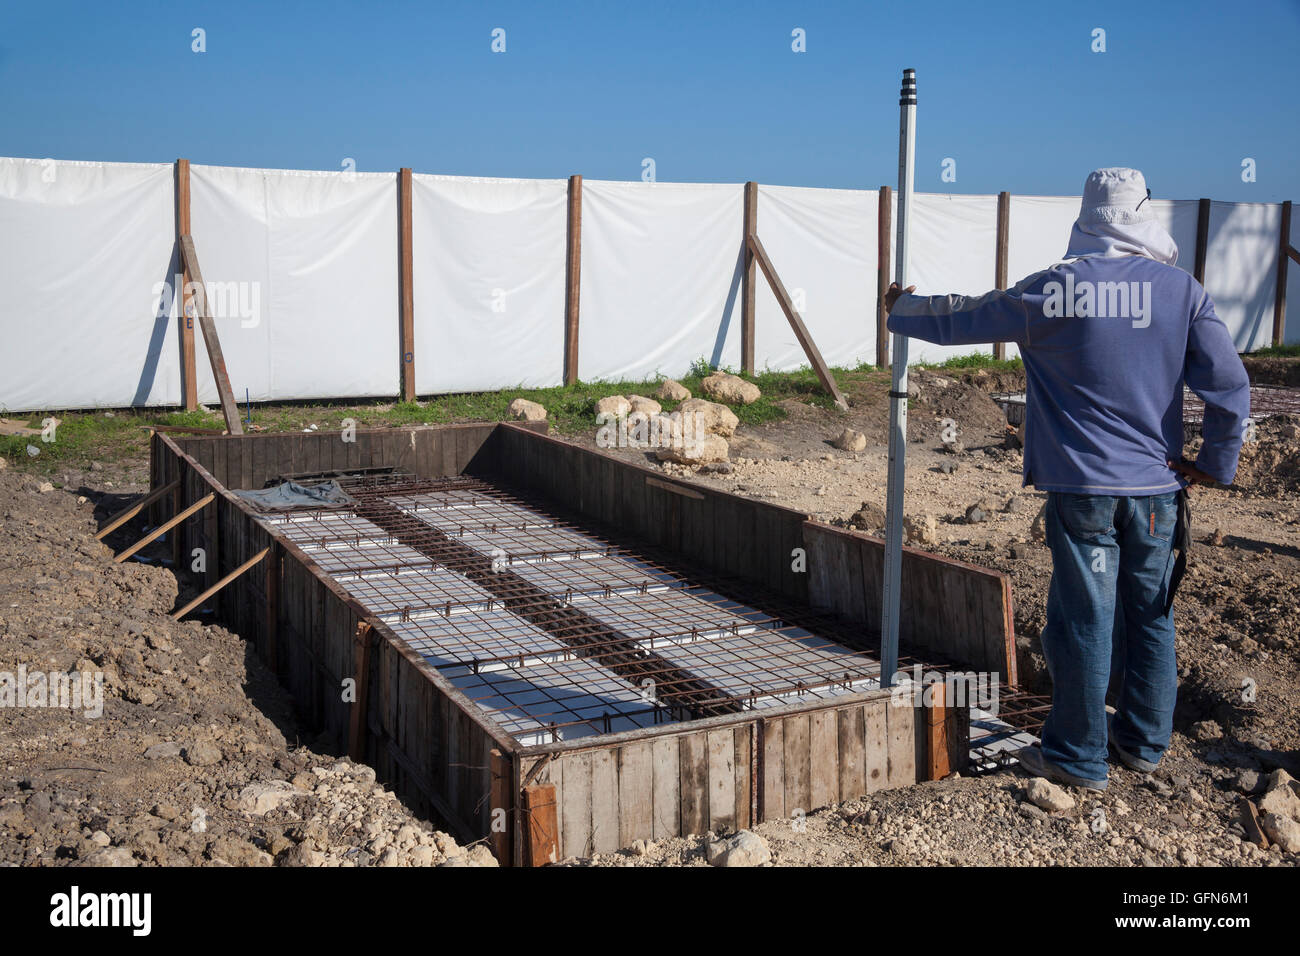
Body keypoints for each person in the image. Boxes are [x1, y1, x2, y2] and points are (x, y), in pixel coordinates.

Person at [884, 167, 1250, 790]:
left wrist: (903, 310)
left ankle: (1077, 758)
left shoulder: (1053, 291)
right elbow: (1231, 389)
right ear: (1143, 215)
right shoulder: (1182, 292)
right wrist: (1213, 465)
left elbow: (964, 316)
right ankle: (1142, 745)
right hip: (1158, 493)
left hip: (1083, 490)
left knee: (1084, 616)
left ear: (1085, 217)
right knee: (1152, 614)